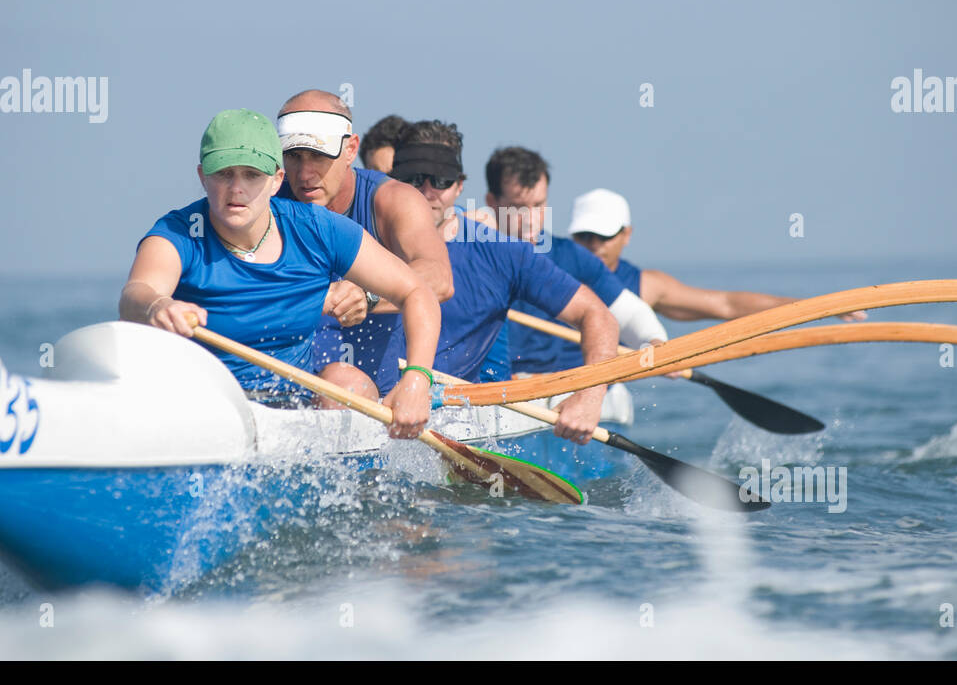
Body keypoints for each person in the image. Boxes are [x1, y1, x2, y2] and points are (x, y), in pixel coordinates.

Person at [119, 108, 440, 437]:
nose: (237, 189)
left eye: (252, 175)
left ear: (276, 180)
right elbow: (136, 293)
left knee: (348, 382)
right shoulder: (180, 233)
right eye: (224, 174)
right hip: (207, 408)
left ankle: (360, 483)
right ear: (203, 177)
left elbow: (417, 292)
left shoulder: (316, 228)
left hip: (291, 410)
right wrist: (157, 306)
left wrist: (417, 379)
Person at [384, 121, 619, 443]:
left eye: (440, 180)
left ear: (459, 186)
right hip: (371, 403)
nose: (427, 193)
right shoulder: (355, 240)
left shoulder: (502, 253)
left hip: (457, 416)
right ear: (390, 182)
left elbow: (597, 316)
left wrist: (590, 396)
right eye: (412, 180)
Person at [274, 90, 452, 392]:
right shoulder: (263, 203)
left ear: (351, 148)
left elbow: (440, 279)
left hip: (368, 406)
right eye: (293, 156)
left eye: (318, 155)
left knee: (339, 383)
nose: (304, 173)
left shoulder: (392, 201)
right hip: (280, 397)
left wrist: (367, 295)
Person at [479, 147, 669, 377]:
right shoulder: (469, 255)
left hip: (556, 389)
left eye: (538, 205)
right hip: (490, 388)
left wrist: (654, 342)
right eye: (519, 208)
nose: (531, 221)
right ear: (492, 202)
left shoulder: (570, 256)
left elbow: (630, 315)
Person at [568, 188, 867, 323]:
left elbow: (727, 305)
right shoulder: (546, 270)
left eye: (604, 236)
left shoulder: (646, 286)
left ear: (626, 235)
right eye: (584, 236)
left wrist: (813, 307)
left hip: (590, 402)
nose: (594, 245)